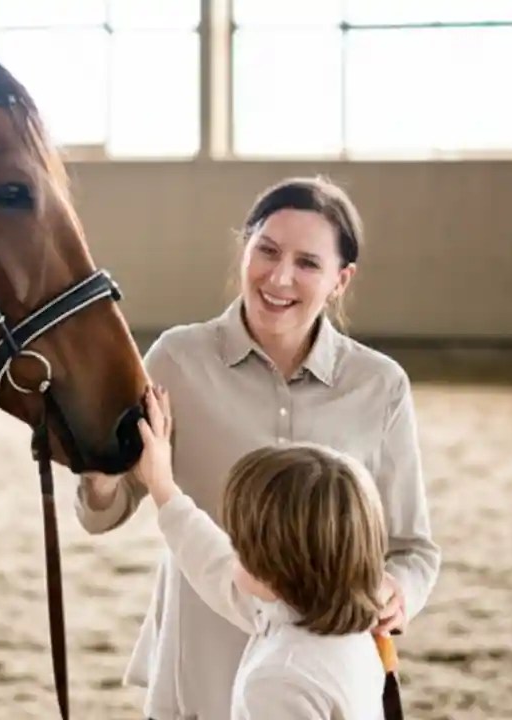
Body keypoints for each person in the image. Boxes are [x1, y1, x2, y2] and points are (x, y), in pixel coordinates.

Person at [75, 176, 440, 720]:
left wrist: (398, 591)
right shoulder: (176, 358)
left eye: (308, 263)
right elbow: (103, 513)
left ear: (341, 280)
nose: (280, 276)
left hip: (321, 667)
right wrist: (96, 459)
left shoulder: (380, 386)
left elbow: (413, 548)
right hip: (197, 658)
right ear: (243, 248)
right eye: (266, 251)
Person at [134, 384, 388, 719]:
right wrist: (162, 487)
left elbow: (222, 573)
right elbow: (215, 566)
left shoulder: (278, 679)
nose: (233, 548)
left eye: (240, 542)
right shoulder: (342, 633)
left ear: (272, 566)